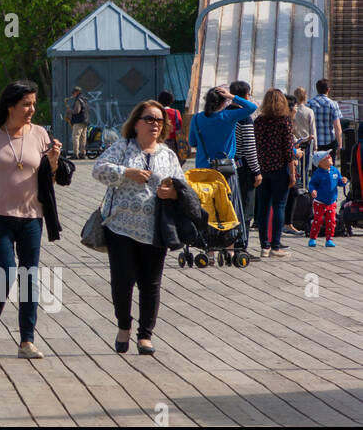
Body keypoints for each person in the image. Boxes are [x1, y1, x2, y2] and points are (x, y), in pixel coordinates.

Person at [0, 81, 64, 360]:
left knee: (29, 276)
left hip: (32, 215)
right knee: (5, 271)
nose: (32, 109)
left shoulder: (41, 135)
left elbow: (50, 178)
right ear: (10, 106)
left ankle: (26, 341)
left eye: (33, 103)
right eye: (26, 104)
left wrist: (53, 161)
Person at [91, 100, 184, 355]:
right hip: (120, 227)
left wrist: (172, 192)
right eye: (149, 119)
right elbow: (98, 170)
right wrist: (126, 172)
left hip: (155, 229)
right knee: (122, 281)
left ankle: (145, 335)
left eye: (159, 120)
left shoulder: (168, 154)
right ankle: (123, 327)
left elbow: (182, 187)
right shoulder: (122, 147)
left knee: (151, 283)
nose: (155, 124)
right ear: (136, 123)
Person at [188, 84, 257, 224]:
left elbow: (192, 142)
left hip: (203, 168)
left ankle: (208, 235)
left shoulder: (197, 118)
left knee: (207, 204)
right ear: (224, 101)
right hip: (225, 169)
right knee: (227, 205)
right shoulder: (228, 116)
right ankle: (227, 238)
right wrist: (232, 96)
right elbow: (252, 107)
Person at [252, 89, 297, 258]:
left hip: (262, 169)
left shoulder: (259, 121)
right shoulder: (284, 121)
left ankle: (264, 245)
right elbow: (288, 151)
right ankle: (275, 245)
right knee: (279, 207)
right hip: (280, 169)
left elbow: (256, 146)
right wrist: (292, 174)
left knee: (263, 207)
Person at [230, 81, 262, 229]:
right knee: (245, 209)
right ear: (246, 96)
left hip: (228, 164)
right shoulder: (244, 118)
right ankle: (241, 244)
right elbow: (249, 147)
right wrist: (256, 171)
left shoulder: (224, 114)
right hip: (244, 168)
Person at [307, 150, 343, 247]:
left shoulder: (335, 170)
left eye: (330, 156)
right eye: (326, 157)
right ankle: (313, 238)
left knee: (331, 221)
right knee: (317, 220)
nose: (330, 157)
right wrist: (313, 190)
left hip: (331, 202)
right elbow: (312, 184)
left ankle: (329, 239)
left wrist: (343, 181)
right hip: (320, 202)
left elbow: (339, 182)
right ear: (320, 163)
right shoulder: (318, 173)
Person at [306, 79, 344, 161]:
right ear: (328, 90)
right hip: (330, 142)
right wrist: (340, 145)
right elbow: (337, 127)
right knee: (329, 167)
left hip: (315, 143)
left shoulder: (309, 103)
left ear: (317, 89)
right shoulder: (333, 104)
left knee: (316, 169)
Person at [291, 87, 317, 185]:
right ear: (305, 96)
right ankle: (305, 187)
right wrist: (315, 146)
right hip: (307, 142)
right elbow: (313, 129)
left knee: (296, 168)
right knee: (305, 169)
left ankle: (297, 187)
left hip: (295, 142)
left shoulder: (293, 111)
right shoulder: (309, 111)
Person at [157, 90, 184, 159]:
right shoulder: (176, 112)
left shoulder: (156, 112)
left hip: (158, 141)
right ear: (171, 101)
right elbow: (180, 127)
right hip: (173, 142)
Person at [64, 87, 89, 160]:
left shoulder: (78, 100)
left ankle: (75, 154)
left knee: (75, 137)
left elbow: (77, 111)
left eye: (73, 93)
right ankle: (83, 153)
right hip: (85, 121)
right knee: (83, 138)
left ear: (77, 92)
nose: (72, 94)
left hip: (78, 121)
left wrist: (69, 110)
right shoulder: (84, 99)